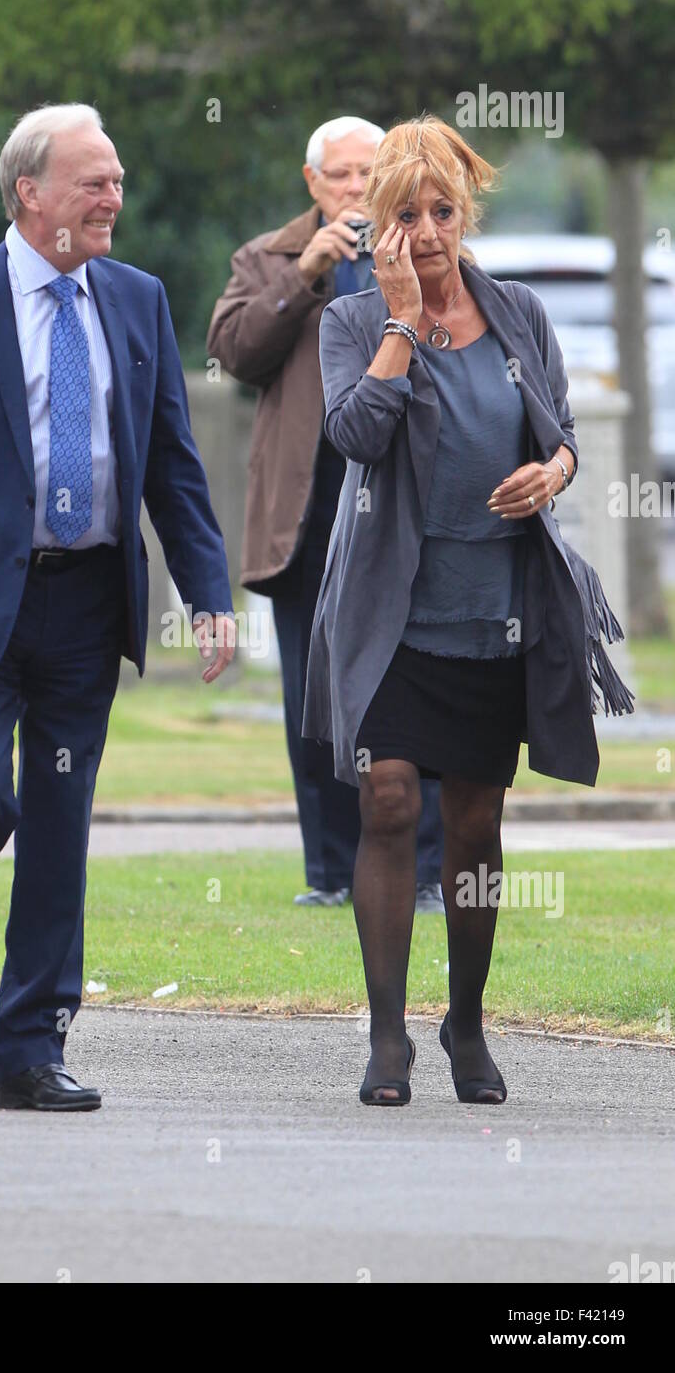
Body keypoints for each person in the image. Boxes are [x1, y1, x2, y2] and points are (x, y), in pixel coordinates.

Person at [0, 103, 236, 1111]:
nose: (114, 197)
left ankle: (30, 1050)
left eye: (115, 180)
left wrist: (208, 595)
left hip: (86, 605)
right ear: (30, 192)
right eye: (94, 181)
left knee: (59, 828)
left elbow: (171, 469)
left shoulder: (138, 300)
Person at [303, 116, 631, 1107]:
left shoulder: (519, 313)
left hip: (497, 606)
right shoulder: (353, 322)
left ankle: (468, 1024)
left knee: (476, 822)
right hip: (393, 611)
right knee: (390, 798)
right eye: (407, 213)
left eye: (443, 210)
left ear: (464, 212)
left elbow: (562, 431)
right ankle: (386, 1034)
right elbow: (355, 434)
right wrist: (402, 321)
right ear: (379, 223)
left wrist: (552, 472)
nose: (430, 229)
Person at [207, 116, 444, 912]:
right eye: (340, 175)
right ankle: (331, 872)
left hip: (406, 504)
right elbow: (235, 356)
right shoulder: (267, 257)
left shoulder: (427, 245)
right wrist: (303, 274)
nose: (353, 188)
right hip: (307, 509)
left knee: (418, 685)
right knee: (314, 697)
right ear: (312, 182)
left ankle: (425, 874)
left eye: (367, 172)